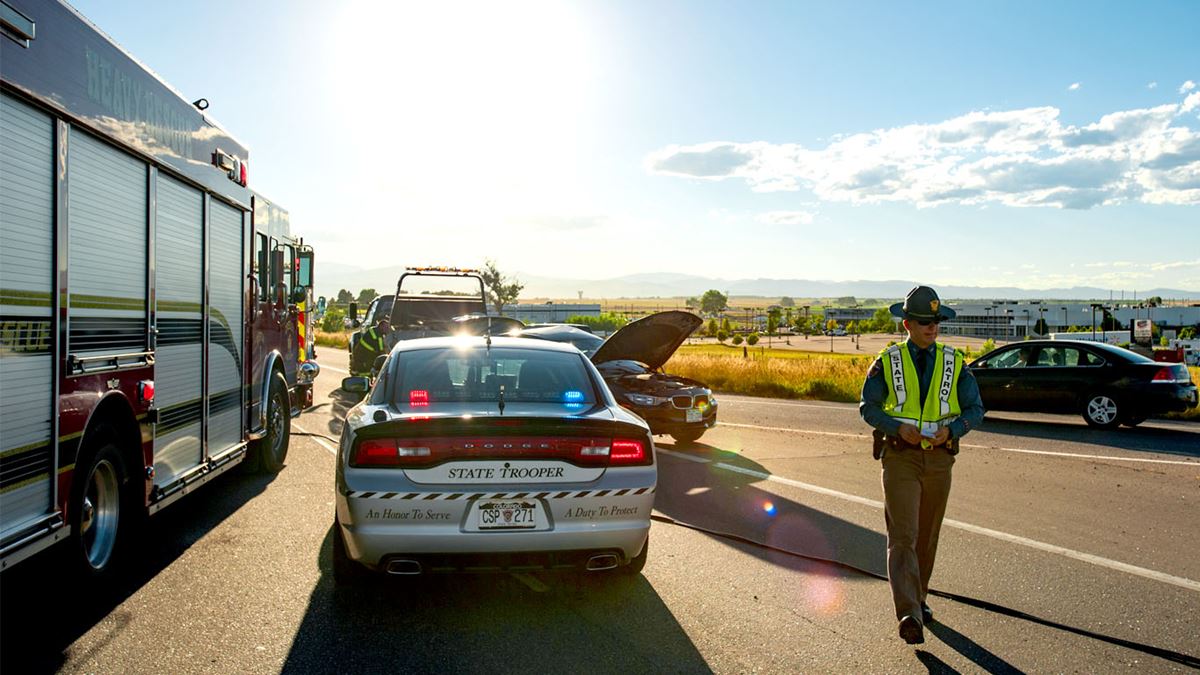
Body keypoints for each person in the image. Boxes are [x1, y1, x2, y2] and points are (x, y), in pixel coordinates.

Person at [859, 286, 985, 645]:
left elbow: (975, 409)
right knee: (904, 535)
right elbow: (868, 407)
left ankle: (920, 598)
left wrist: (953, 430)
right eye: (925, 322)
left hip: (940, 459)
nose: (932, 328)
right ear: (907, 324)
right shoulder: (888, 361)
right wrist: (896, 427)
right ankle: (908, 614)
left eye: (936, 321)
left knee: (927, 536)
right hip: (901, 456)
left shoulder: (954, 361)